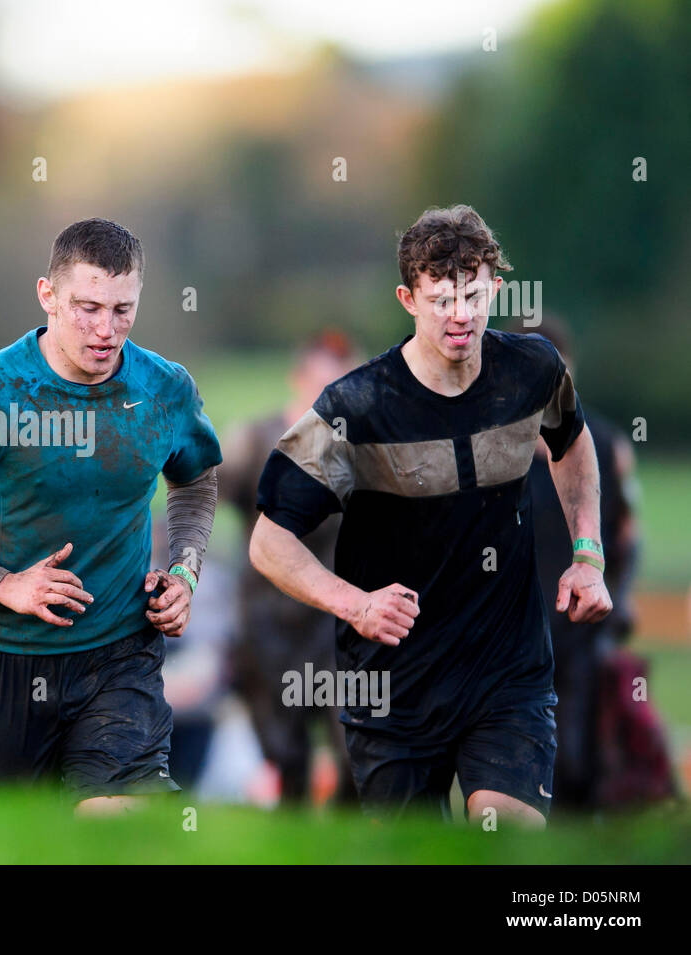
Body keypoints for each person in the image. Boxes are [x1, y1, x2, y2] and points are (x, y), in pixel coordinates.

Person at [249, 205, 612, 826]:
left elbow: (572, 442)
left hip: (508, 675)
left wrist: (588, 553)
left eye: (474, 296)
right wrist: (355, 604)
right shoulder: (355, 406)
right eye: (441, 300)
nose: (461, 315)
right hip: (393, 689)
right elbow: (268, 541)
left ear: (496, 288)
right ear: (408, 300)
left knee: (508, 840)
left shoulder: (533, 371)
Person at [0, 218, 221, 813]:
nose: (105, 330)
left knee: (118, 821)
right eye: (88, 308)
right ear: (48, 295)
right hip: (8, 663)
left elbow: (195, 479)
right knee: (20, 840)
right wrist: (2, 584)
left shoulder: (165, 389)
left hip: (123, 656)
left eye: (122, 310)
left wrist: (185, 572)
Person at [219, 331, 360, 805]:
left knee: (355, 744)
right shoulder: (253, 440)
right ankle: (292, 822)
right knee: (286, 754)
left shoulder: (361, 450)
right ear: (297, 379)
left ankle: (347, 829)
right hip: (268, 619)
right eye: (321, 382)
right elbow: (200, 496)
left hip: (337, 618)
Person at [527, 318, 638, 810]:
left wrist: (622, 599)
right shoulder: (495, 451)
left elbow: (628, 536)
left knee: (578, 754)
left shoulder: (609, 446)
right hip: (517, 626)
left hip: (583, 626)